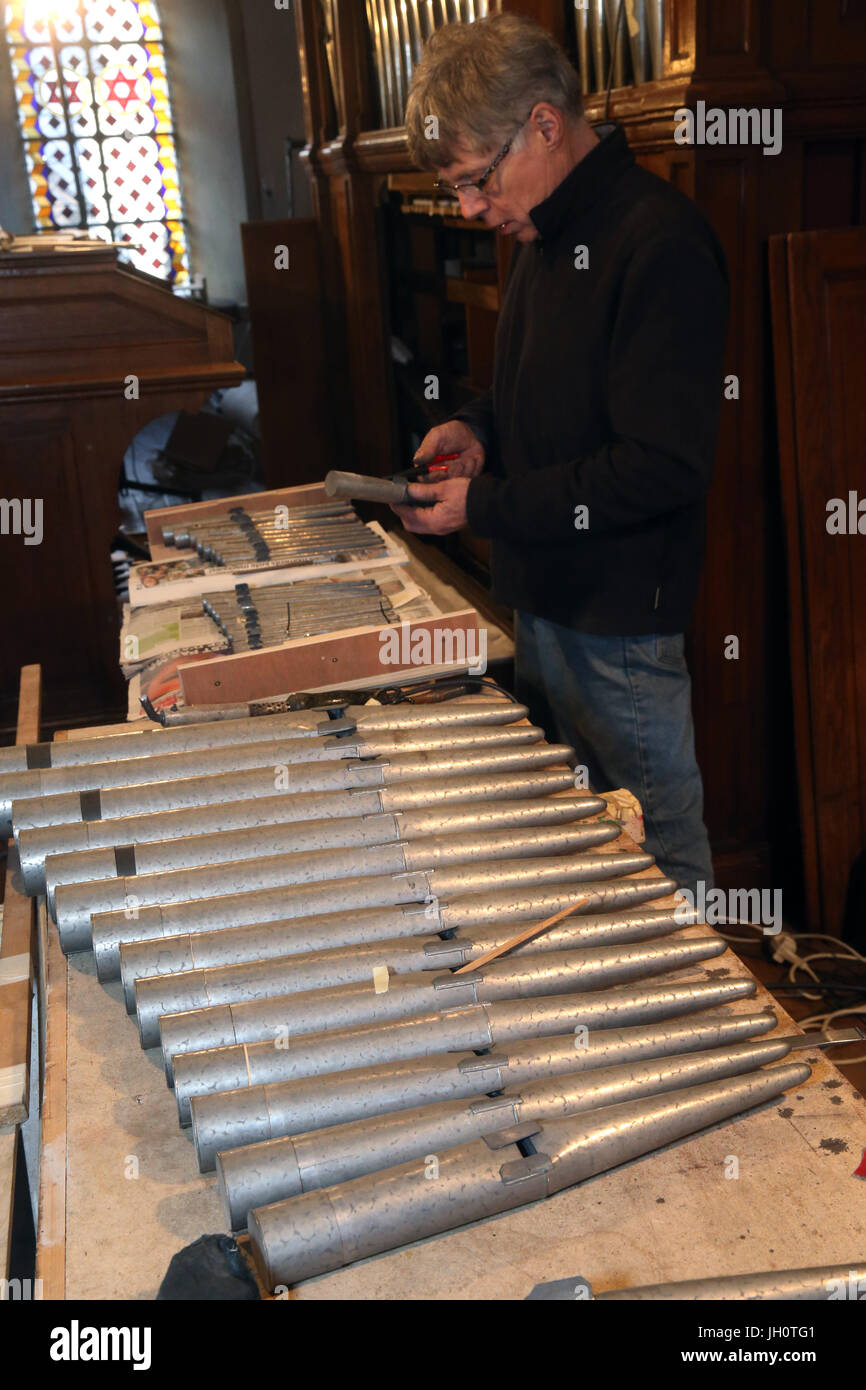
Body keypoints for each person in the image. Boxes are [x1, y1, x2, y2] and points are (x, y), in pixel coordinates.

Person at [392, 13, 729, 898]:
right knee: (580, 859)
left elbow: (661, 463)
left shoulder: (660, 242)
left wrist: (487, 507)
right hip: (543, 597)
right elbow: (544, 390)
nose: (469, 208)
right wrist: (478, 431)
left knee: (657, 872)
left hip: (617, 624)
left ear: (544, 125)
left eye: (476, 181)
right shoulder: (542, 230)